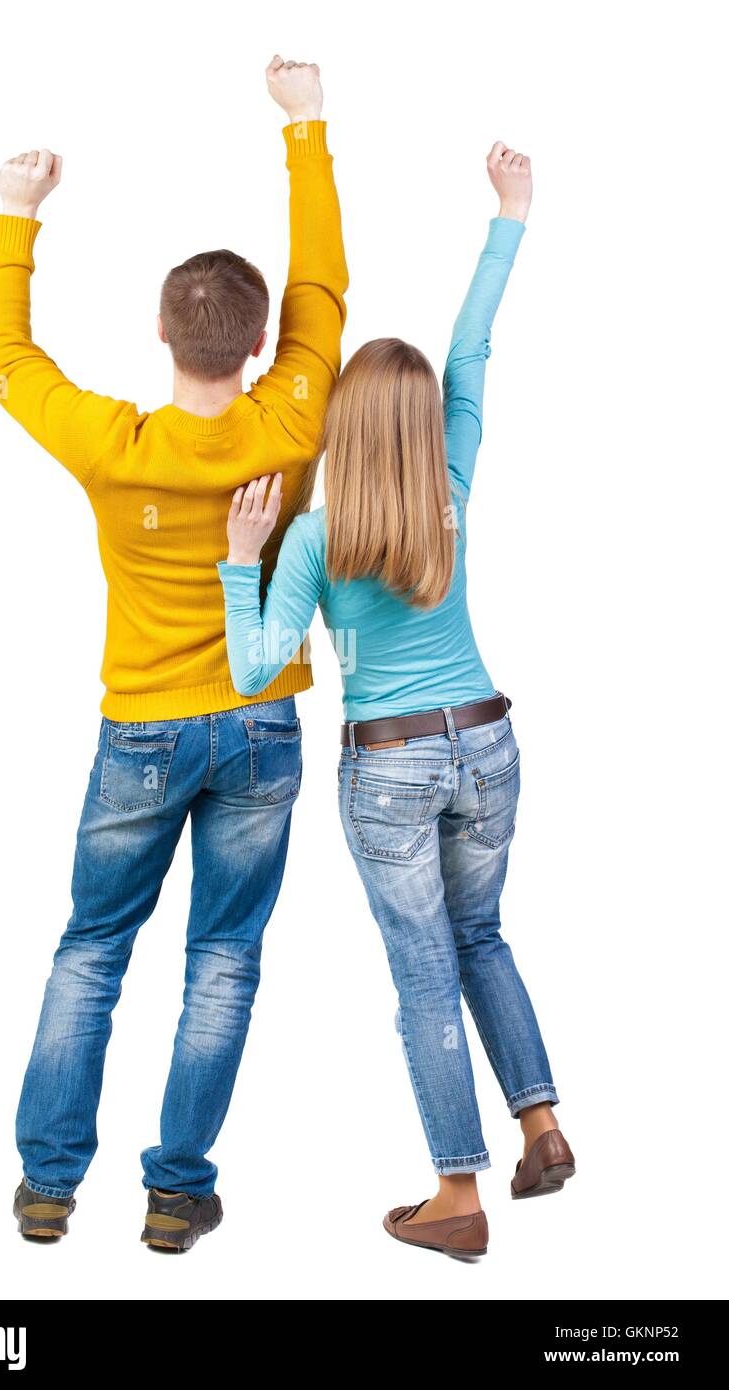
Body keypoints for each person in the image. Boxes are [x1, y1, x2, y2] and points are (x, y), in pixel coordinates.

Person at [0, 56, 348, 1252]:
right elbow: (323, 289)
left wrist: (16, 218)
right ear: (257, 345)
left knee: (92, 947)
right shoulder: (291, 415)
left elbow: (6, 361)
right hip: (259, 726)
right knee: (223, 958)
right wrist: (303, 127)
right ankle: (176, 1189)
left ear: (158, 332)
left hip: (138, 726)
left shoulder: (110, 444)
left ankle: (46, 1187)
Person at [219, 143, 574, 1260]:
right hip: (489, 740)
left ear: (341, 426)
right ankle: (542, 1121)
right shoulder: (450, 493)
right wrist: (507, 215)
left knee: (424, 967)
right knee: (483, 936)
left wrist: (240, 559)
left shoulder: (318, 537)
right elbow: (467, 354)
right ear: (418, 425)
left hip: (392, 767)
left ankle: (457, 1194)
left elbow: (252, 665)